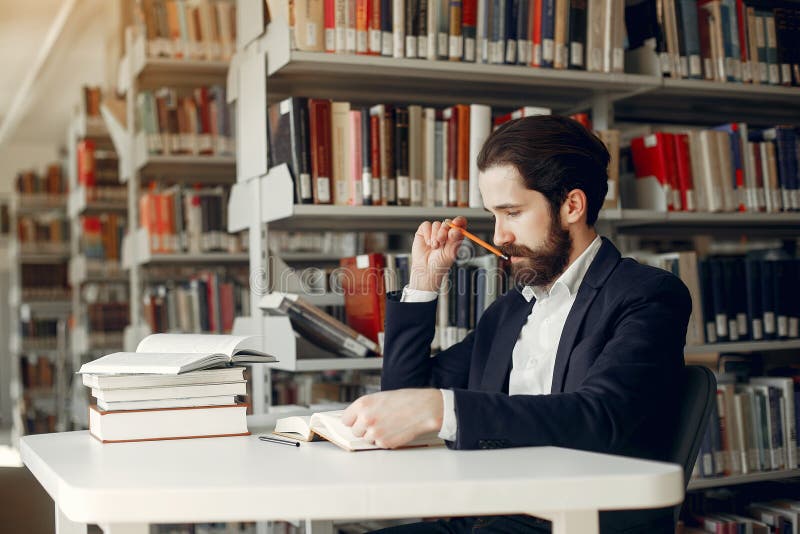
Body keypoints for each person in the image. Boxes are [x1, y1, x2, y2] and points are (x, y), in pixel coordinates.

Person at [342, 115, 692, 533]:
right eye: (494, 215)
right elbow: (404, 399)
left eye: (512, 213)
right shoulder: (508, 312)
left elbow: (601, 418)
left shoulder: (647, 295)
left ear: (572, 207)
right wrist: (423, 283)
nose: (499, 236)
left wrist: (442, 408)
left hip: (574, 522)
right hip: (484, 514)